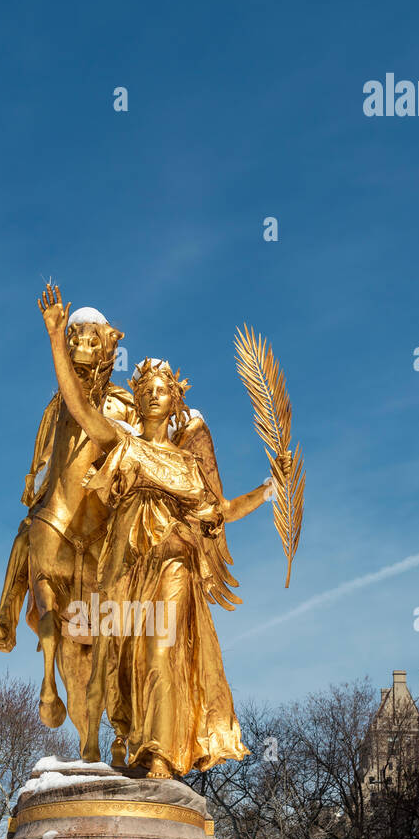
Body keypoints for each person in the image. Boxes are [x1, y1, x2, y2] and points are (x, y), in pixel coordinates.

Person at [38, 284, 283, 778]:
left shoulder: (187, 464)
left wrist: (266, 490)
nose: (151, 394)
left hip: (172, 563)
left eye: (162, 389)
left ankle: (160, 756)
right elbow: (80, 407)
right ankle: (128, 744)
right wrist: (54, 341)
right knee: (120, 667)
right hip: (125, 573)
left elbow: (221, 510)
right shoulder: (122, 443)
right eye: (144, 388)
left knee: (160, 650)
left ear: (175, 402)